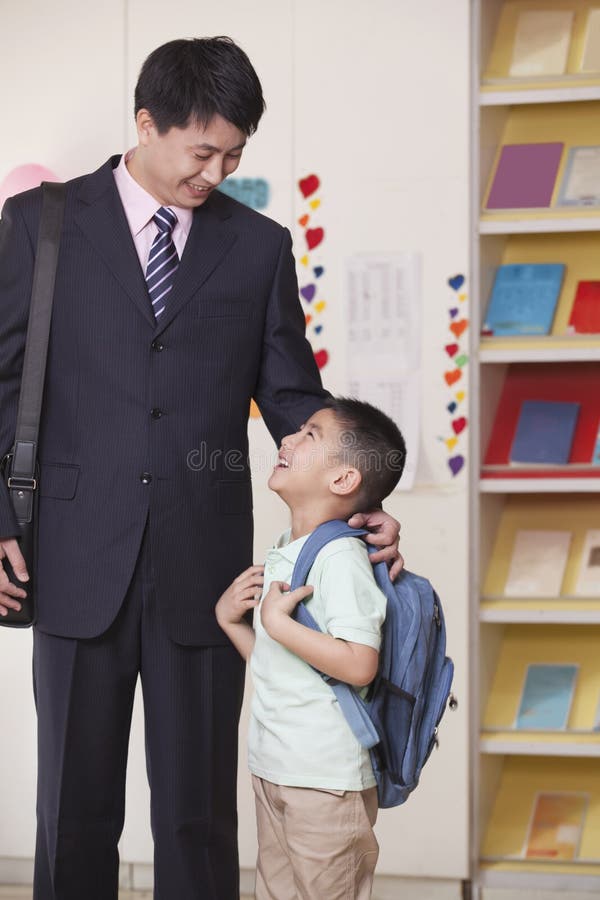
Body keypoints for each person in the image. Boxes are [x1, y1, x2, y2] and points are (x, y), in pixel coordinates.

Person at [0, 37, 403, 900]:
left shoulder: (258, 246)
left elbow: (292, 394)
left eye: (235, 154)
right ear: (146, 124)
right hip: (73, 556)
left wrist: (358, 492)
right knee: (71, 811)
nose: (216, 172)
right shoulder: (43, 224)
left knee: (198, 814)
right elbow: (0, 382)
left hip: (210, 569)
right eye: (203, 151)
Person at [216, 397, 406, 900]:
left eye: (310, 435)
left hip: (325, 780)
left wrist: (278, 624)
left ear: (343, 480)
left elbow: (360, 664)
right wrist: (234, 624)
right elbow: (286, 668)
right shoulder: (288, 546)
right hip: (276, 768)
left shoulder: (340, 556)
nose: (287, 439)